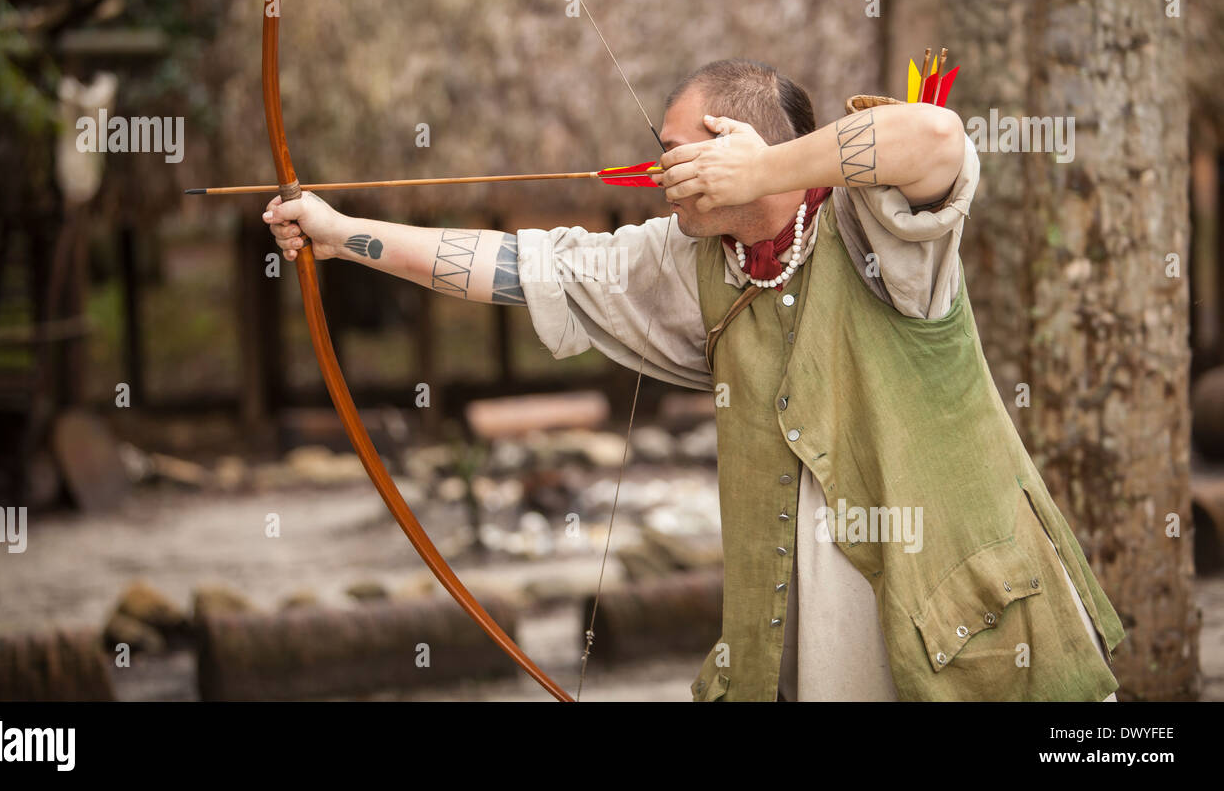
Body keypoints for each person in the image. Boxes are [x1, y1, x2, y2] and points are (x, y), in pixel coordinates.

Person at [262, 57, 1124, 701]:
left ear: (728, 146)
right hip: (808, 654)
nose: (660, 168)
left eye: (674, 151)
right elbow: (522, 267)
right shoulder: (689, 259)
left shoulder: (879, 226)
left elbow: (936, 137)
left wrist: (767, 173)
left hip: (963, 632)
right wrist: (345, 236)